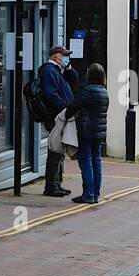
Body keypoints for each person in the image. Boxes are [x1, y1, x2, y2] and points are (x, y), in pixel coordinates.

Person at [39, 44, 76, 198]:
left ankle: (57, 184)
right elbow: (50, 93)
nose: (67, 58)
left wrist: (69, 71)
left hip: (61, 115)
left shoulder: (58, 70)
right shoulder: (48, 70)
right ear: (56, 56)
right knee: (55, 149)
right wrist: (64, 109)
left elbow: (73, 83)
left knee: (58, 150)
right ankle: (51, 186)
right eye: (64, 55)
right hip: (56, 115)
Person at [70, 64, 110, 205]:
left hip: (86, 130)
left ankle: (88, 194)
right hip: (99, 131)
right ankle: (95, 194)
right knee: (96, 161)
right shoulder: (104, 91)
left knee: (86, 161)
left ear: (90, 75)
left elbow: (74, 106)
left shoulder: (88, 91)